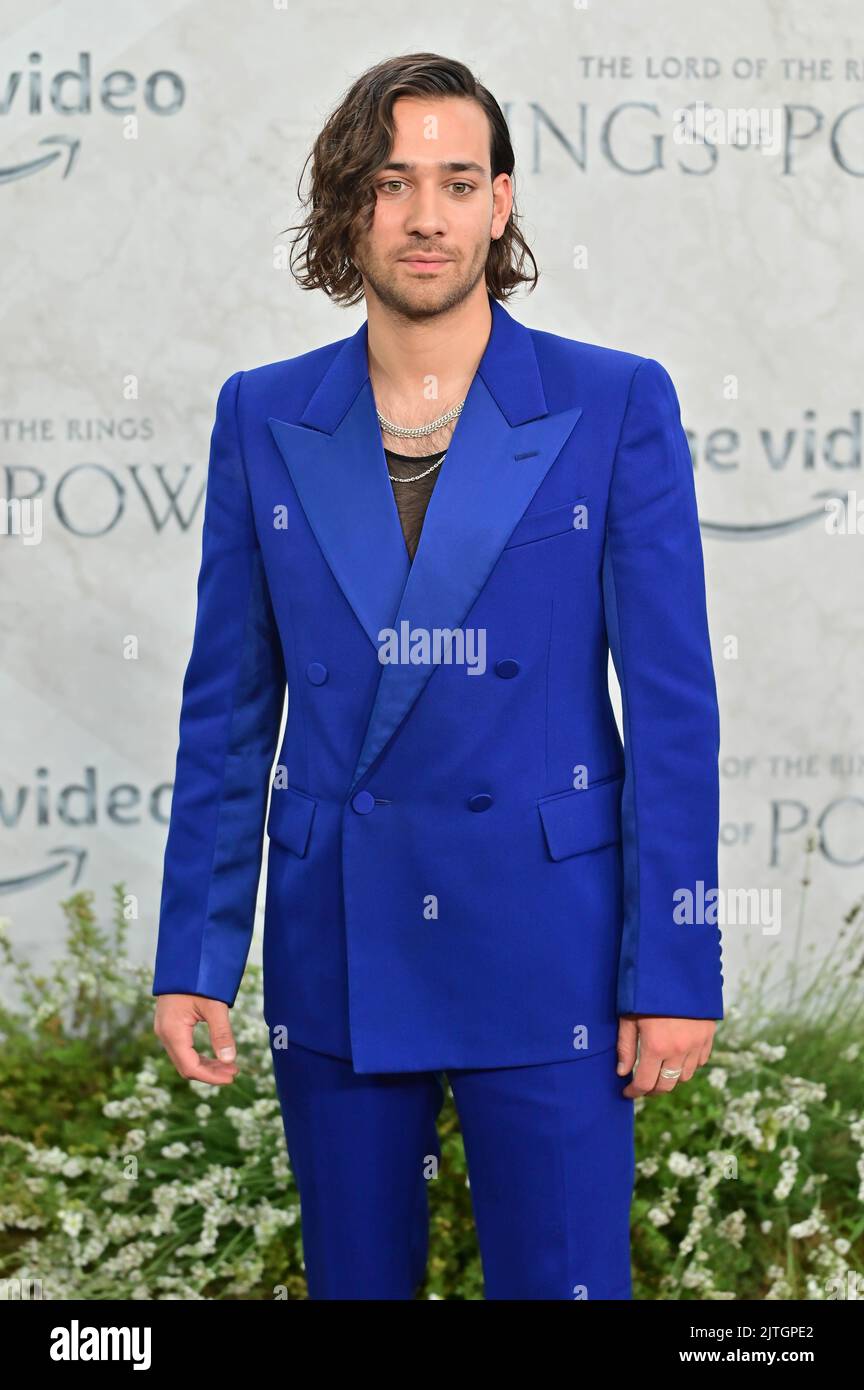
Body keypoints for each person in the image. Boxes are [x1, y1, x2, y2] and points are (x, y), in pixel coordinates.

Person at [152, 52, 723, 1300]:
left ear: (501, 204)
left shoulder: (613, 401)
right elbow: (230, 707)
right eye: (393, 182)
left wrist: (674, 967)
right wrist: (196, 950)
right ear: (345, 203)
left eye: (457, 182)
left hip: (551, 938)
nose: (425, 216)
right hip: (342, 935)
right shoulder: (263, 413)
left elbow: (675, 710)